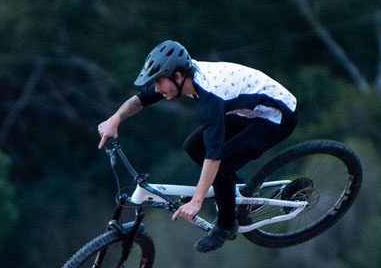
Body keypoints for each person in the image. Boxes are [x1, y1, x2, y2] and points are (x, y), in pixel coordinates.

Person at [96, 40, 298, 252]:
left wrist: (197, 201)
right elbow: (141, 99)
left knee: (222, 163)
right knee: (193, 146)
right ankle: (243, 196)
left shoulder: (210, 98)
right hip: (250, 110)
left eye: (159, 82)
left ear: (178, 76)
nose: (156, 89)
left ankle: (226, 226)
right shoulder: (180, 76)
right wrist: (114, 120)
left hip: (278, 116)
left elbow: (214, 155)